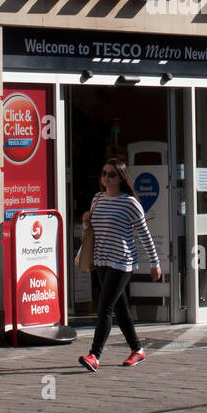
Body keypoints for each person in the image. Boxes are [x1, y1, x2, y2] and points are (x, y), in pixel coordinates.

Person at [78, 157, 162, 372]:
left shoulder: (129, 203)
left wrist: (155, 262)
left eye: (112, 174)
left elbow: (144, 235)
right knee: (121, 307)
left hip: (122, 262)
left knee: (105, 307)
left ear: (121, 178)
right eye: (104, 173)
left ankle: (94, 355)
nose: (106, 178)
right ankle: (137, 349)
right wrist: (86, 221)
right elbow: (92, 231)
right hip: (101, 260)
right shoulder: (97, 199)